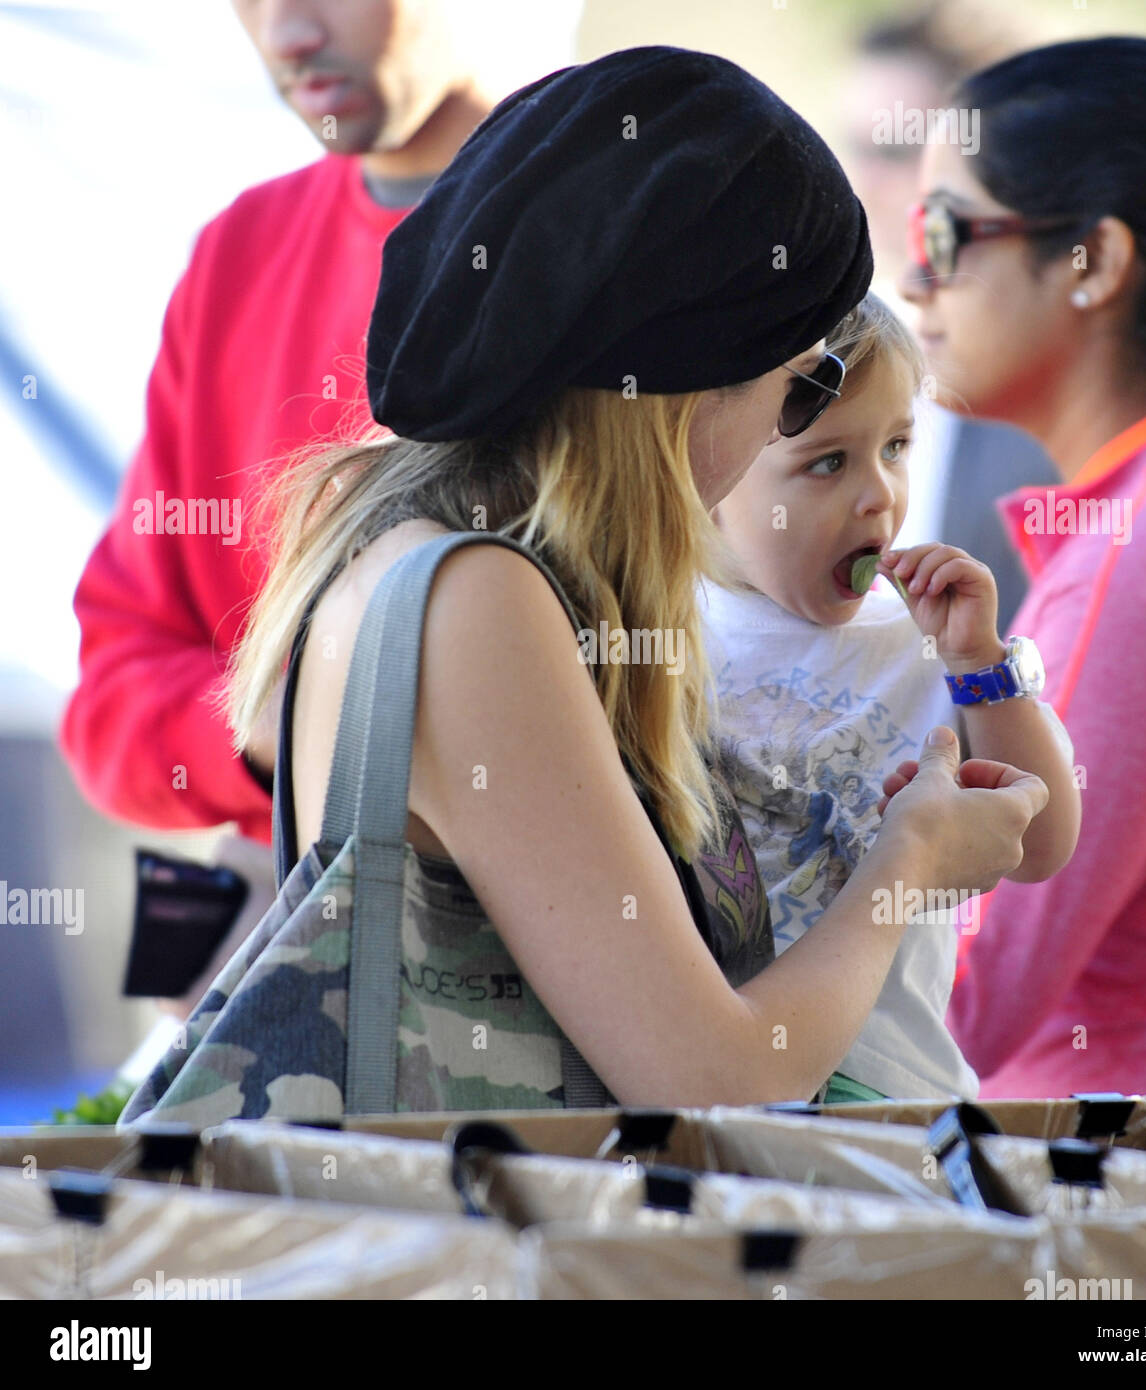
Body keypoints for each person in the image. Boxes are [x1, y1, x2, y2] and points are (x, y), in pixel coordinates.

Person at [218, 46, 1050, 1108]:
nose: (776, 440)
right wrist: (910, 860)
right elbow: (717, 1078)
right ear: (687, 385)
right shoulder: (477, 598)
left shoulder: (430, 543)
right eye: (802, 392)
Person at [898, 36, 1146, 1097]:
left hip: (1145, 1209)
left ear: (1093, 262)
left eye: (946, 230)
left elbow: (959, 1003)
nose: (914, 275)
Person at [59, 0, 500, 846]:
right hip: (320, 901)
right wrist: (282, 721)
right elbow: (113, 701)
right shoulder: (239, 253)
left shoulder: (623, 224)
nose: (286, 32)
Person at [702, 292, 1078, 1102]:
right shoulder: (659, 636)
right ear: (712, 471)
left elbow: (1043, 840)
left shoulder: (928, 643)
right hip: (713, 1068)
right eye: (827, 463)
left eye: (897, 446)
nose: (880, 495)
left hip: (891, 1086)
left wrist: (977, 661)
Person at [835, 2, 1058, 632]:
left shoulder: (1049, 402)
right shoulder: (797, 365)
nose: (866, 179)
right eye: (854, 146)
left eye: (901, 148)